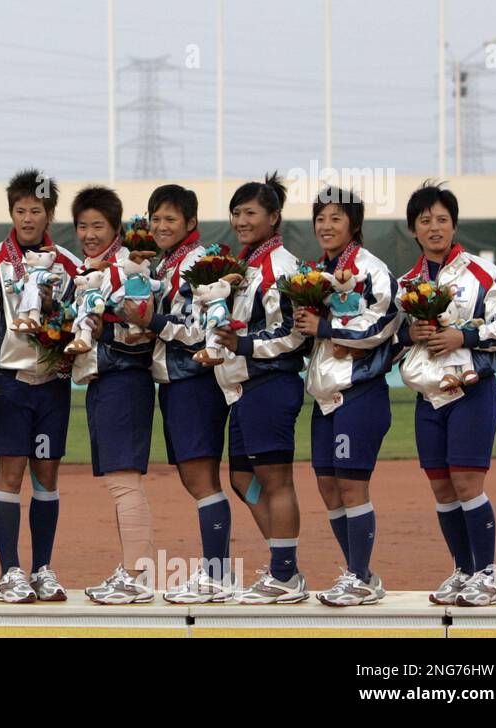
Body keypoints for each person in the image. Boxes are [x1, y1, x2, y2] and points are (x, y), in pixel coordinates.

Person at [396, 182, 496, 607]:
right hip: (428, 397)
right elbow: (392, 337)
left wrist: (462, 336)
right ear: (413, 229)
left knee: (467, 483)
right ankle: (463, 570)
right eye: (425, 221)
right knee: (441, 489)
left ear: (454, 225)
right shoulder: (407, 284)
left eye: (442, 220)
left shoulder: (483, 273)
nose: (435, 227)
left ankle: (486, 574)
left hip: (471, 391)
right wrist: (407, 332)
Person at [294, 187, 400, 607]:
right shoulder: (314, 275)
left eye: (336, 218)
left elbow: (385, 323)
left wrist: (326, 329)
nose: (325, 225)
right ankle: (362, 575)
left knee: (352, 487)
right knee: (327, 487)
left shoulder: (371, 270)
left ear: (353, 224)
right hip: (324, 396)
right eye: (320, 218)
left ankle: (359, 577)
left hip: (359, 392)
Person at [0, 169, 79, 602]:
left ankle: (42, 568)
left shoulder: (69, 267)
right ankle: (10, 572)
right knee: (11, 473)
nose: (26, 218)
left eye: (35, 210)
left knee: (46, 475)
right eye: (20, 210)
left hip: (52, 385)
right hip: (9, 385)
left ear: (50, 213)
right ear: (11, 212)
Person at [211, 173, 311, 605]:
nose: (241, 220)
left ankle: (284, 574)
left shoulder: (281, 266)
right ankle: (283, 564)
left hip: (271, 383)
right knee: (241, 479)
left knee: (276, 481)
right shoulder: (244, 265)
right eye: (236, 212)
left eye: (250, 212)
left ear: (273, 217)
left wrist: (245, 345)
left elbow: (294, 333)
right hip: (242, 389)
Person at [137, 184, 235, 604]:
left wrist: (153, 321)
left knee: (201, 478)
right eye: (156, 218)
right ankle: (219, 572)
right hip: (176, 381)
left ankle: (218, 575)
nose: (161, 226)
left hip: (194, 380)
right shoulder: (164, 263)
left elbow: (201, 330)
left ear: (190, 223)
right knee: (195, 477)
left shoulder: (198, 263)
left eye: (170, 219)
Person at [68, 186, 158, 605]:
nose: (89, 233)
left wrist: (110, 331)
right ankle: (129, 571)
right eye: (83, 225)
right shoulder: (89, 270)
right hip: (103, 381)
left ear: (116, 227)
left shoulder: (127, 268)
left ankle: (136, 575)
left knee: (124, 481)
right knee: (118, 481)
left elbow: (142, 331)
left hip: (124, 380)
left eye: (98, 225)